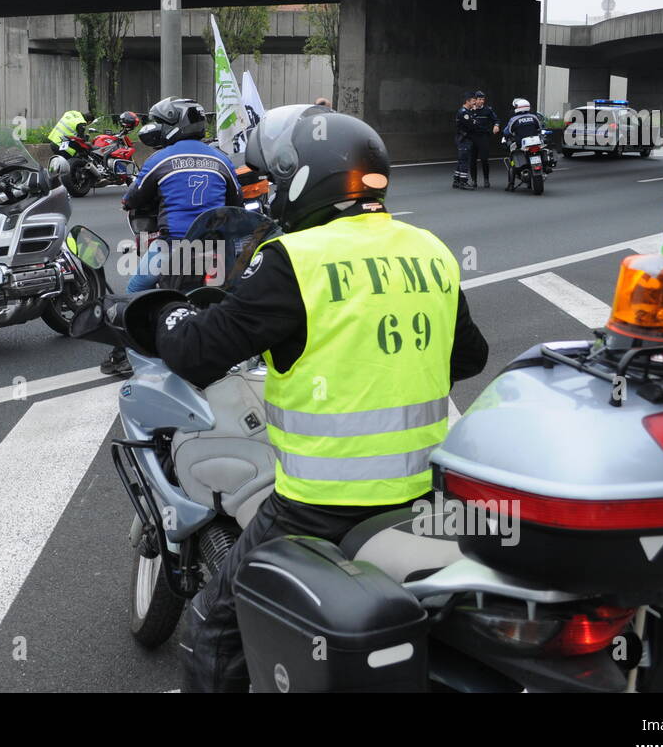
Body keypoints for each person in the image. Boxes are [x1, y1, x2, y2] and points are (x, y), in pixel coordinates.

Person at [131, 105, 488, 692]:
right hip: (426, 494)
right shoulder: (431, 250)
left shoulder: (296, 260)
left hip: (319, 506)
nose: (269, 195)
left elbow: (198, 352)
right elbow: (468, 357)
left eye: (274, 181)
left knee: (213, 626)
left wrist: (165, 313)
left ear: (305, 180)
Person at [100, 97, 242, 377]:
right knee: (232, 295)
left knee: (134, 291)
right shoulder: (221, 158)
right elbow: (236, 200)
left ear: (175, 126)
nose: (159, 128)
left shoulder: (160, 159)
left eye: (162, 123)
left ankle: (127, 355)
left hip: (174, 246)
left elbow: (132, 198)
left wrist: (131, 202)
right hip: (216, 247)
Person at [502, 97, 544, 190]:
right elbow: (539, 128)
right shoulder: (534, 117)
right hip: (536, 143)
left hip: (521, 145)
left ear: (518, 107)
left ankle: (511, 184)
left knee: (512, 161)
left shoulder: (514, 119)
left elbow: (506, 132)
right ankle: (531, 182)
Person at [470, 91, 501, 189]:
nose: (481, 101)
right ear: (475, 100)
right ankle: (474, 181)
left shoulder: (488, 110)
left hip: (483, 137)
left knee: (484, 159)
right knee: (472, 160)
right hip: (472, 137)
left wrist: (496, 125)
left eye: (483, 99)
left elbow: (496, 120)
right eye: (479, 99)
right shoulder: (470, 110)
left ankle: (486, 180)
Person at [453, 92, 480, 190]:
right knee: (464, 161)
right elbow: (474, 125)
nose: (475, 103)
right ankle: (463, 182)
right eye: (473, 101)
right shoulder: (464, 113)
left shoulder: (465, 111)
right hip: (464, 139)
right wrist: (474, 114)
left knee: (461, 160)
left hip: (462, 138)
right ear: (467, 101)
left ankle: (456, 180)